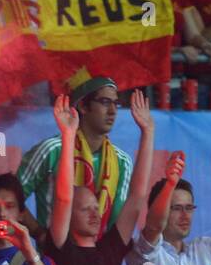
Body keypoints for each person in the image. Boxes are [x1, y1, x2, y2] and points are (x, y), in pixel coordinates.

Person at [45, 89, 154, 265]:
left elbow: (137, 197)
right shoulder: (63, 249)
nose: (95, 214)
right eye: (85, 209)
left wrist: (148, 132)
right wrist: (68, 136)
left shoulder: (110, 248)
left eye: (96, 207)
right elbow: (63, 198)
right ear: (69, 218)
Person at [17, 76, 134, 235]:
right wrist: (39, 234)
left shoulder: (122, 161)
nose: (113, 111)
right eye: (105, 102)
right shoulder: (52, 150)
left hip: (101, 256)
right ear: (83, 107)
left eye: (116, 103)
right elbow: (12, 198)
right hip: (53, 256)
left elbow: (120, 221)